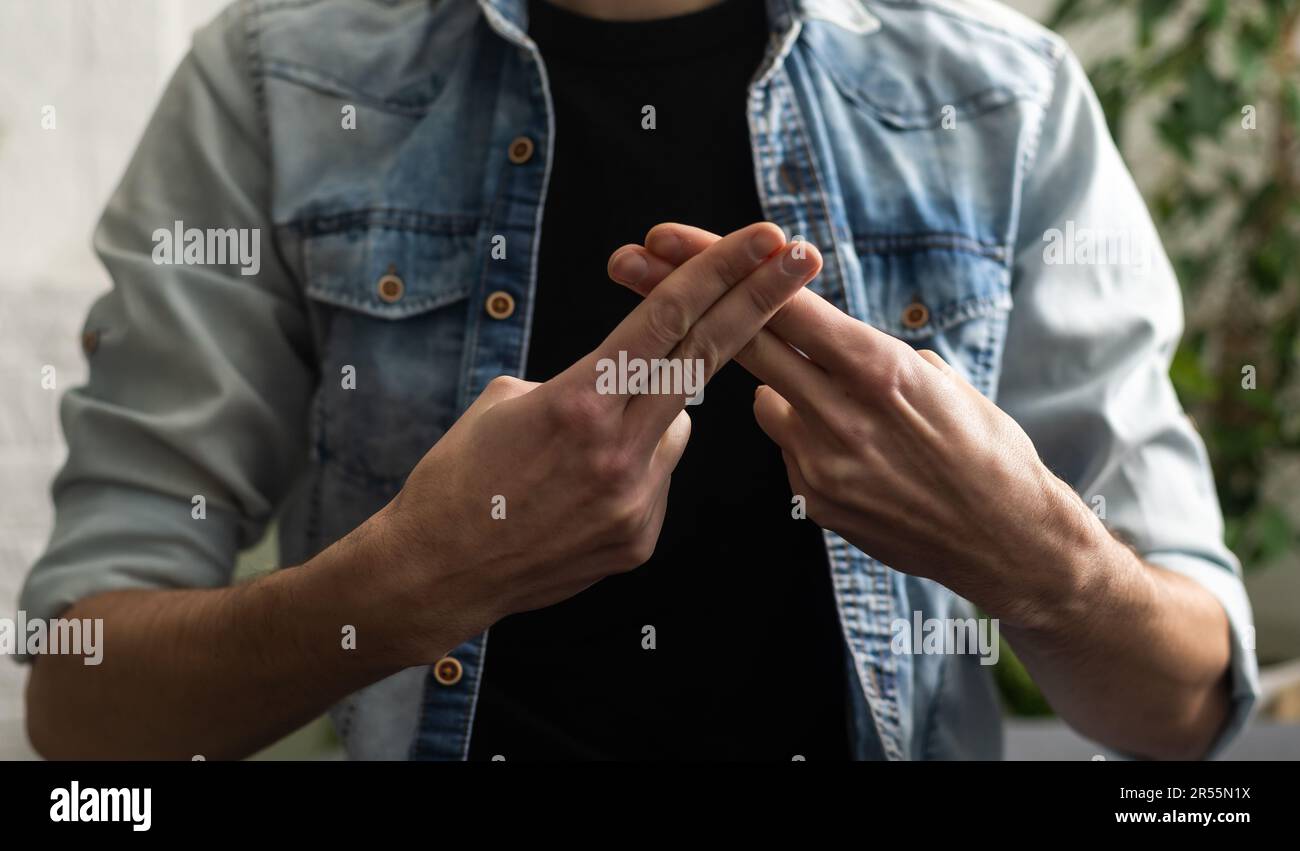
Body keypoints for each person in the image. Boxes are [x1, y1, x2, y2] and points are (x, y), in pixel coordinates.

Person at [20, 0, 1259, 760]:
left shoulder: (1006, 100)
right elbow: (87, 708)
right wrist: (405, 586)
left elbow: (1188, 707)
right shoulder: (272, 85)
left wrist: (1033, 557)